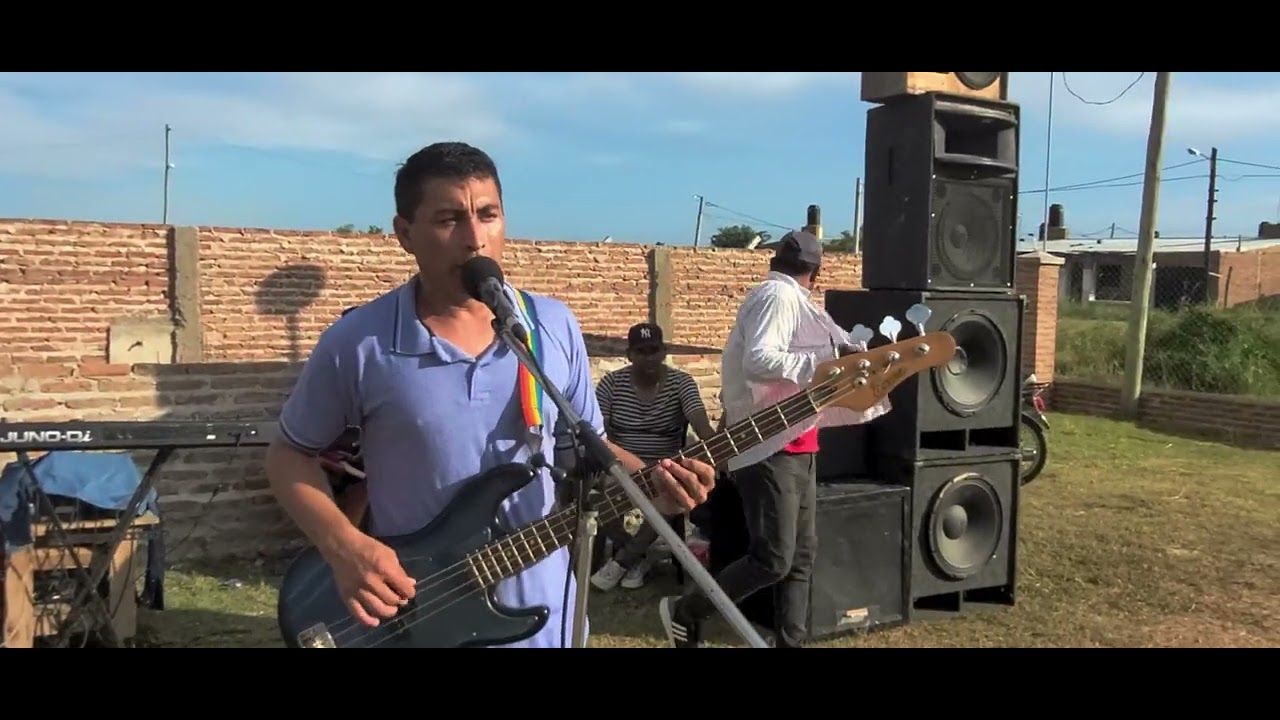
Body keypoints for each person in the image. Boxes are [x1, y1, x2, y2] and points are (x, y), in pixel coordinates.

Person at [264, 141, 718, 649]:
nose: (475, 239)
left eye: (488, 214)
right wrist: (343, 546)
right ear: (404, 234)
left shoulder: (550, 328)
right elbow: (289, 454)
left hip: (547, 622)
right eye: (448, 219)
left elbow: (585, 454)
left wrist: (657, 482)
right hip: (416, 618)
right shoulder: (359, 342)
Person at [657, 230, 890, 648]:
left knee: (800, 558)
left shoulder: (796, 301)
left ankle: (790, 642)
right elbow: (759, 359)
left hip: (799, 440)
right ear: (816, 273)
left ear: (774, 260)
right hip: (768, 444)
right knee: (775, 558)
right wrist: (827, 361)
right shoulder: (777, 298)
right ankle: (687, 610)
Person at [589, 322, 717, 592]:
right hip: (621, 468)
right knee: (595, 495)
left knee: (673, 492)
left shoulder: (682, 383)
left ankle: (624, 560)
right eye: (641, 351)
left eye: (654, 350)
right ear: (629, 354)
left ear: (664, 352)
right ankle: (638, 557)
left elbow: (702, 426)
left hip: (664, 468)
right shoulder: (611, 384)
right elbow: (599, 435)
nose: (649, 358)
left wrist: (718, 448)